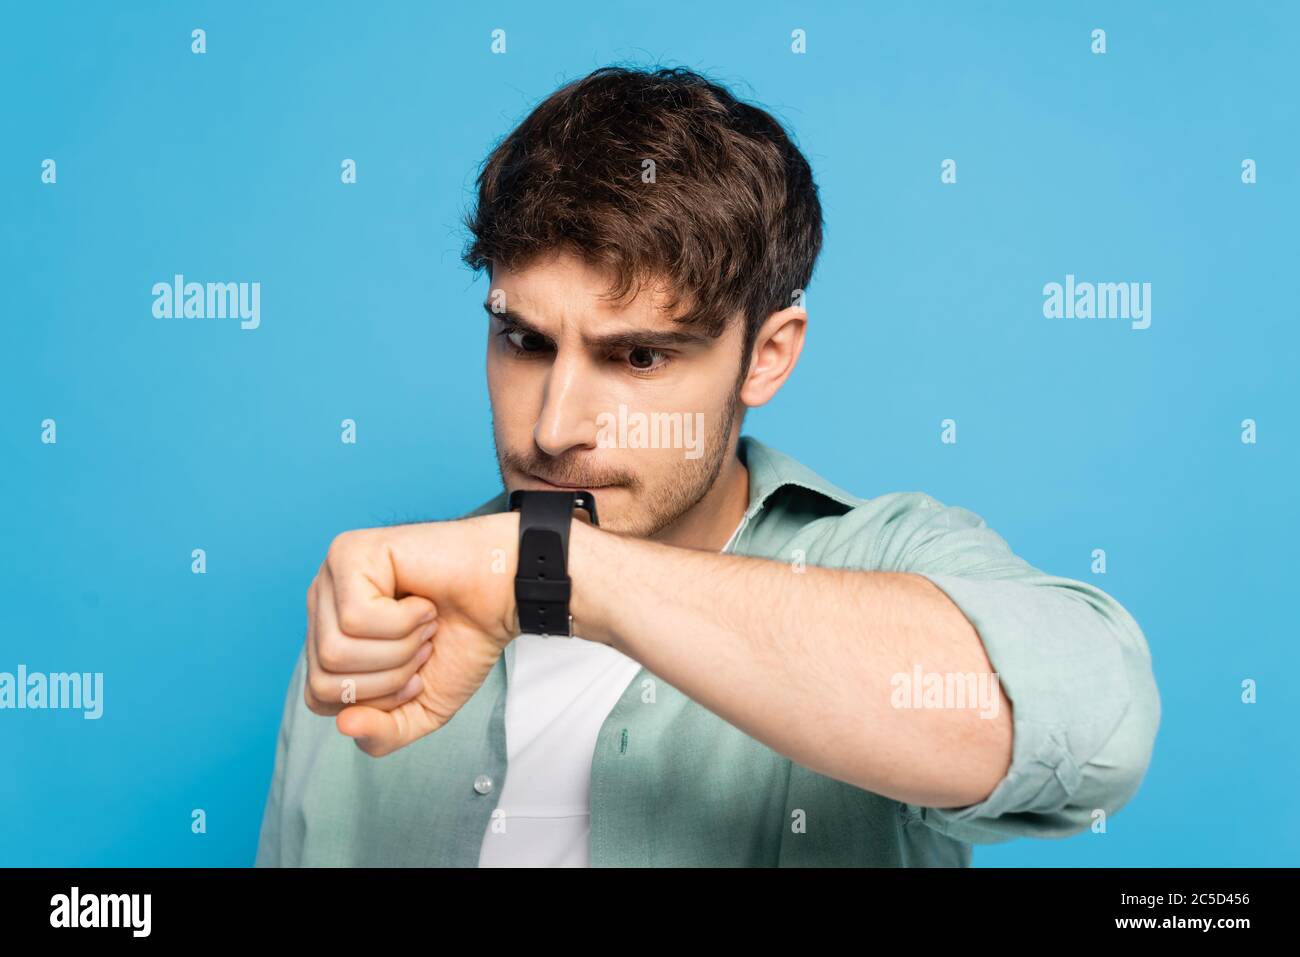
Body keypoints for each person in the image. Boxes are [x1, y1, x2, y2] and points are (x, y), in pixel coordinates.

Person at [255, 65, 1160, 867]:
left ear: (767, 355)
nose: (555, 426)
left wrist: (548, 570)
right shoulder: (375, 616)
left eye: (638, 357)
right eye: (524, 341)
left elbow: (1096, 728)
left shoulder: (884, 560)